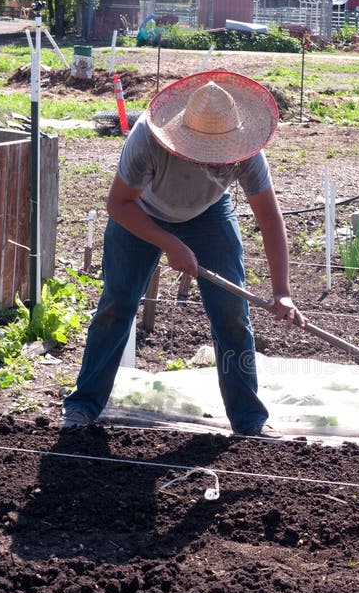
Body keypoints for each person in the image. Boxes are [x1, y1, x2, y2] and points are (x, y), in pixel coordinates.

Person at [61, 70, 305, 437]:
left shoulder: (248, 152)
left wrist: (282, 290)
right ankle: (83, 406)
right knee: (117, 304)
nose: (216, 161)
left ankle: (248, 419)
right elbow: (117, 204)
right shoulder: (148, 137)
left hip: (208, 215)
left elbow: (270, 219)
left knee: (231, 313)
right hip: (140, 212)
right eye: (207, 154)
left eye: (222, 154)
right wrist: (170, 243)